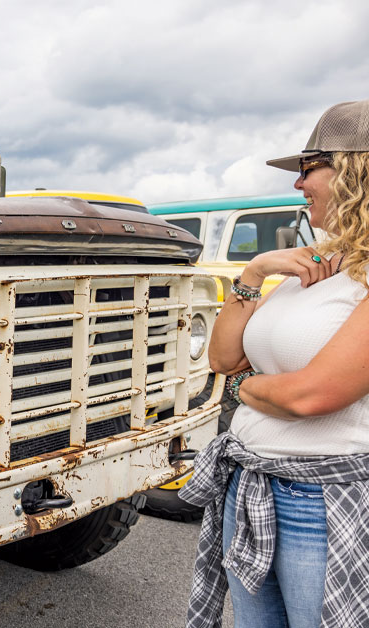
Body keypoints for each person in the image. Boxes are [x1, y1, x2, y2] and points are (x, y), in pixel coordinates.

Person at [182, 99, 369, 627]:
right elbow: (224, 356)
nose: (298, 185)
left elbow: (311, 396)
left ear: (356, 171)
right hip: (251, 486)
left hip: (322, 502)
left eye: (309, 169)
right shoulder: (312, 266)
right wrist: (255, 269)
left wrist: (246, 390)